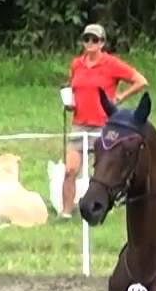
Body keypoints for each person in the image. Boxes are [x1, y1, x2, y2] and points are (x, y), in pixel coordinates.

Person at [61, 23, 148, 218]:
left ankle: (100, 207)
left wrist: (119, 98)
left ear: (102, 43)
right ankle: (66, 213)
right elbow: (73, 87)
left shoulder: (111, 64)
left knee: (105, 172)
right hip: (80, 123)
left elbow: (141, 81)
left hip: (103, 125)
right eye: (87, 39)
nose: (90, 43)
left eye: (95, 40)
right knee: (70, 169)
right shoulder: (77, 64)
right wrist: (71, 103)